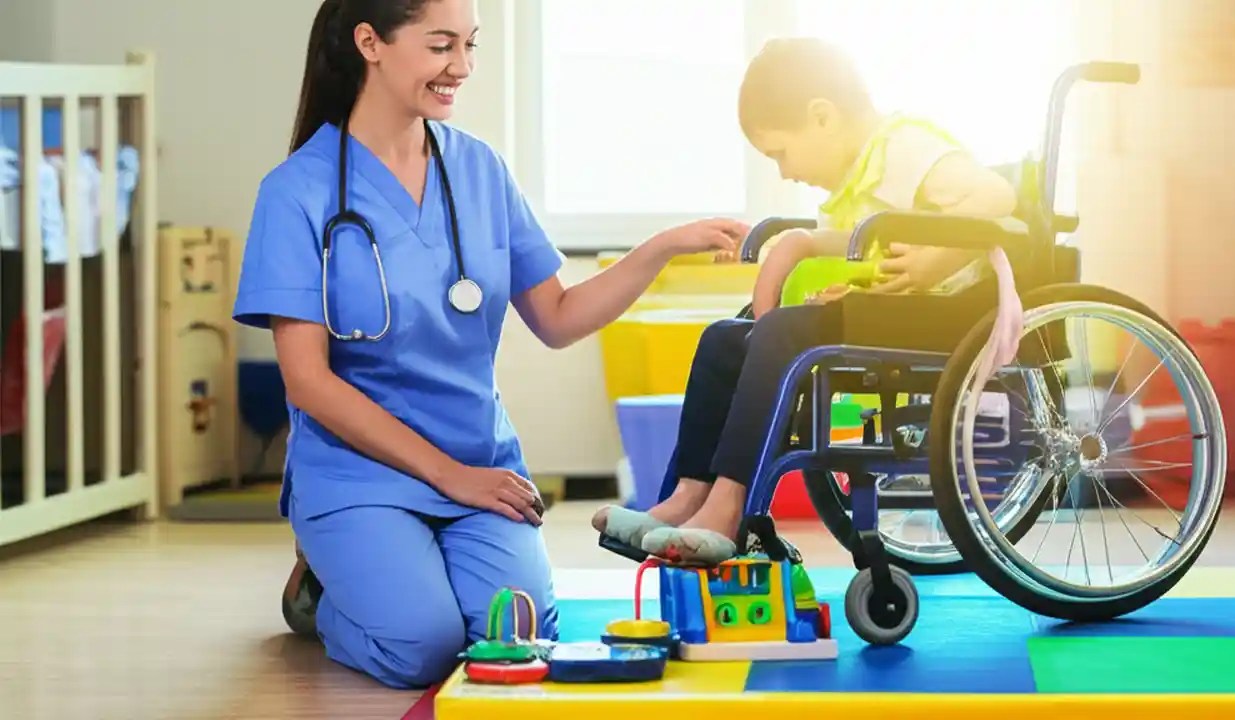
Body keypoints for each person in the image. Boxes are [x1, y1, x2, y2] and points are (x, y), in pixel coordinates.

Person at [232, 0, 748, 690]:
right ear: (369, 43)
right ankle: (323, 592)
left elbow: (559, 316)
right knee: (422, 646)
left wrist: (661, 247)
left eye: (470, 46)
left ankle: (399, 570)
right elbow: (309, 383)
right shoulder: (295, 192)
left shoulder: (478, 171)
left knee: (520, 632)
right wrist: (449, 476)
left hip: (479, 459)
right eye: (441, 45)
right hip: (358, 475)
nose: (463, 68)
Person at [592, 37, 1020, 565]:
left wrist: (936, 258)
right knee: (726, 338)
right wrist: (808, 256)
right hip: (896, 312)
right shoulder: (856, 181)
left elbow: (997, 196)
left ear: (822, 117)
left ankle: (728, 508)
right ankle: (687, 496)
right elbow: (859, 249)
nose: (784, 172)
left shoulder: (904, 147)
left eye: (780, 153)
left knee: (782, 332)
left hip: (948, 313)